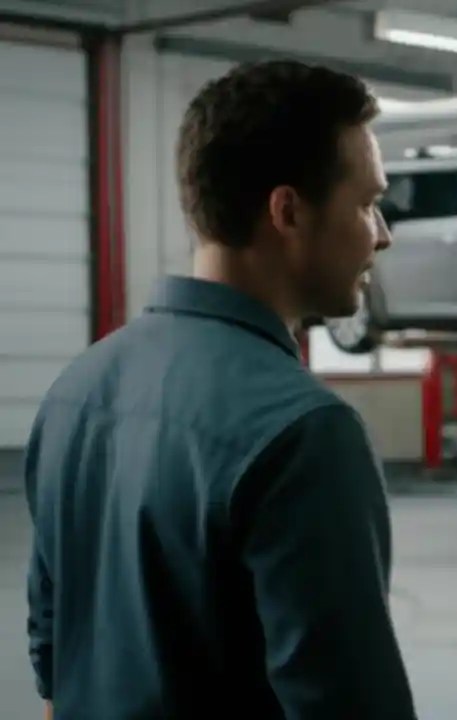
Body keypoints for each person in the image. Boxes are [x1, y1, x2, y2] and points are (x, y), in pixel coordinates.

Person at [24, 60, 417, 719]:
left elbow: (57, 673)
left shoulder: (77, 389)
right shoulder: (305, 432)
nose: (381, 235)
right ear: (287, 210)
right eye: (367, 203)